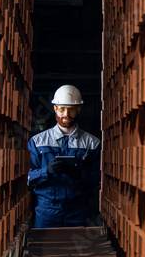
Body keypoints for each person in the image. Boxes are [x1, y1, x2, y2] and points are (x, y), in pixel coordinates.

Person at [27, 85, 102, 228]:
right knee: (45, 248)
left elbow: (100, 179)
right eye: (61, 109)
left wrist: (80, 175)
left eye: (71, 109)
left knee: (80, 250)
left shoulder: (92, 143)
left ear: (78, 109)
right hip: (47, 212)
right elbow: (26, 177)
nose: (66, 114)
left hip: (79, 211)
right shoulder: (37, 142)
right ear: (55, 108)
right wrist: (46, 171)